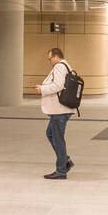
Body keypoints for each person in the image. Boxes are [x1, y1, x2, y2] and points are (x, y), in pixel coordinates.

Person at [37, 47, 76, 180]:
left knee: (58, 138)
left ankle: (61, 171)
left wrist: (42, 88)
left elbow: (58, 85)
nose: (50, 61)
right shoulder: (66, 66)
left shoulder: (59, 66)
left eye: (50, 58)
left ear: (56, 57)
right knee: (51, 134)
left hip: (60, 110)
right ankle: (65, 161)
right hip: (61, 109)